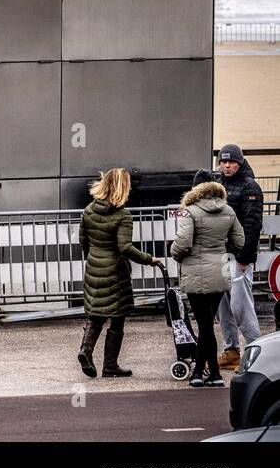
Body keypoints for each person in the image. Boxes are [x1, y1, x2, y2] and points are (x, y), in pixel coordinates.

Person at [77, 168, 160, 378]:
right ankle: (110, 365)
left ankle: (85, 350)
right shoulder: (123, 216)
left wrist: (93, 258)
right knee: (117, 317)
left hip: (94, 269)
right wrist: (149, 259)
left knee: (96, 315)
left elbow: (83, 241)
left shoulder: (89, 210)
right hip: (115, 272)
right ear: (123, 187)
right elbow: (125, 247)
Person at [192, 145, 264, 372]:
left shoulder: (250, 187)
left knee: (241, 306)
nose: (227, 165)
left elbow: (253, 225)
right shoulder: (219, 185)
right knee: (223, 308)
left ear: (240, 162)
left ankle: (255, 351)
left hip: (238, 257)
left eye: (231, 162)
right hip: (219, 256)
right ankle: (231, 351)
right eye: (223, 162)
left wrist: (245, 257)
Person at [170, 179, 246, 387]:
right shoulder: (229, 211)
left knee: (204, 325)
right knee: (208, 323)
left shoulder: (190, 211)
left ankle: (204, 374)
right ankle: (210, 373)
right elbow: (239, 241)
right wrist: (222, 250)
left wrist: (175, 253)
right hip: (220, 270)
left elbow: (183, 242)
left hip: (195, 271)